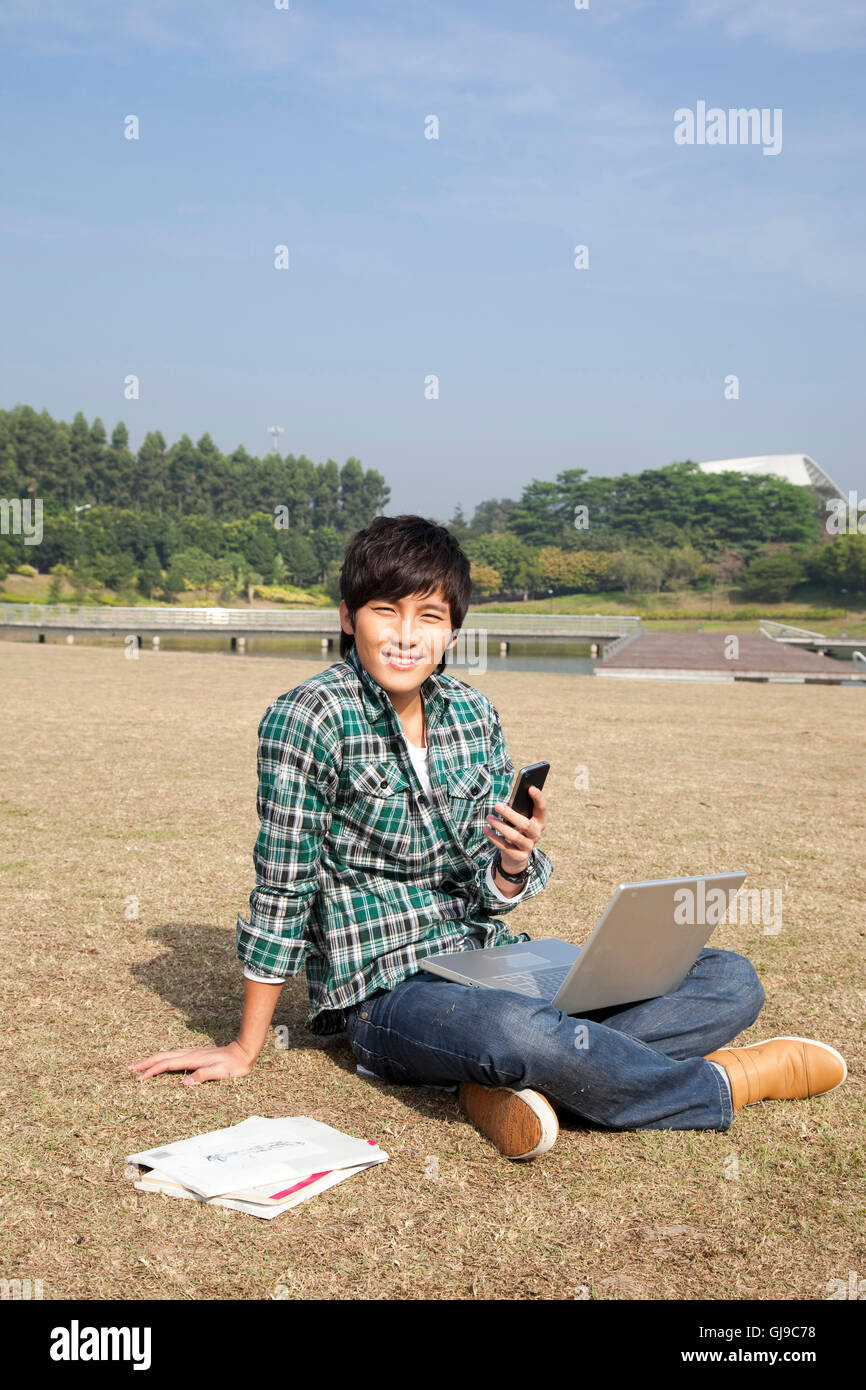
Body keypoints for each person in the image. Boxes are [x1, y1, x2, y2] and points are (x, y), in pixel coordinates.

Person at [130, 514, 847, 1160]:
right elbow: (283, 884)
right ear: (348, 618)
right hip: (386, 990)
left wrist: (511, 862)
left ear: (452, 629)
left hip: (490, 962)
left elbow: (491, 893)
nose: (407, 635)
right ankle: (720, 1087)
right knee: (517, 1034)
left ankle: (505, 1081)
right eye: (386, 611)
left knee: (728, 978)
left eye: (430, 616)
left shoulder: (472, 711)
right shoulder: (307, 717)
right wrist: (245, 1046)